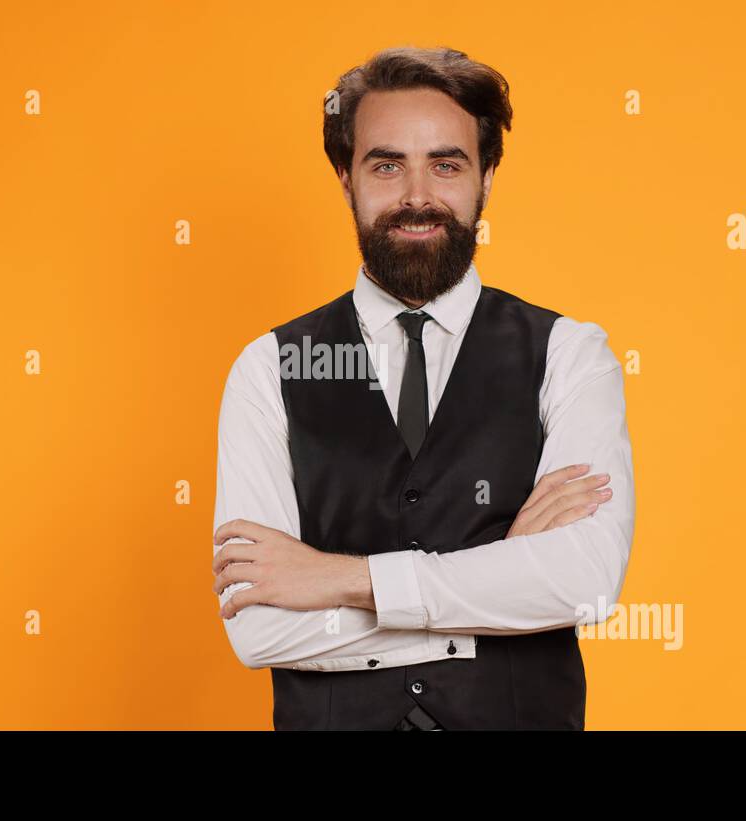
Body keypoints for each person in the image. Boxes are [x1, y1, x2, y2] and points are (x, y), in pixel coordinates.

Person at [211, 46, 635, 730]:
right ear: (346, 178)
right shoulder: (268, 368)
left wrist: (342, 578)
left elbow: (582, 582)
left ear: (486, 178)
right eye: (386, 165)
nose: (417, 196)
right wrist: (499, 578)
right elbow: (259, 628)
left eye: (446, 164)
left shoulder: (570, 354)